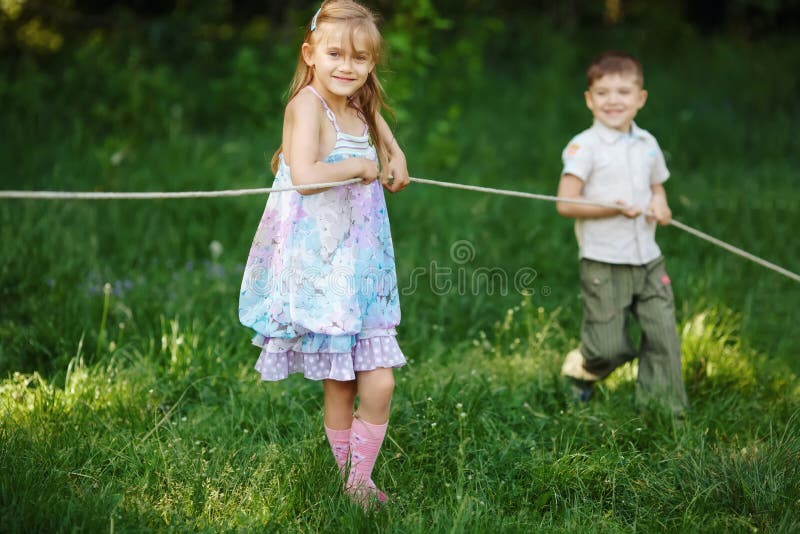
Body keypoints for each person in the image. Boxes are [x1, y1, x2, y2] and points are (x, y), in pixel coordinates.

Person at [238, 0, 410, 507]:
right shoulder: (305, 107)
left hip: (363, 269)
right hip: (321, 268)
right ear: (310, 53)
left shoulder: (359, 104)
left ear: (371, 65)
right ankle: (353, 484)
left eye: (359, 59)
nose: (347, 66)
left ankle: (358, 476)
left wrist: (394, 155)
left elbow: (380, 129)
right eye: (335, 53)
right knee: (339, 384)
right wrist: (357, 167)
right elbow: (307, 176)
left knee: (378, 385)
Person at [555, 51, 688, 416]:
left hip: (648, 257)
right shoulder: (585, 147)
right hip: (604, 260)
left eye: (624, 92)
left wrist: (661, 206)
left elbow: (657, 187)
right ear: (589, 100)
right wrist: (611, 207)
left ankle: (663, 410)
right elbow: (565, 203)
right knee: (608, 347)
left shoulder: (648, 143)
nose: (613, 100)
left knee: (663, 334)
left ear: (640, 98)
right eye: (603, 92)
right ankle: (583, 367)